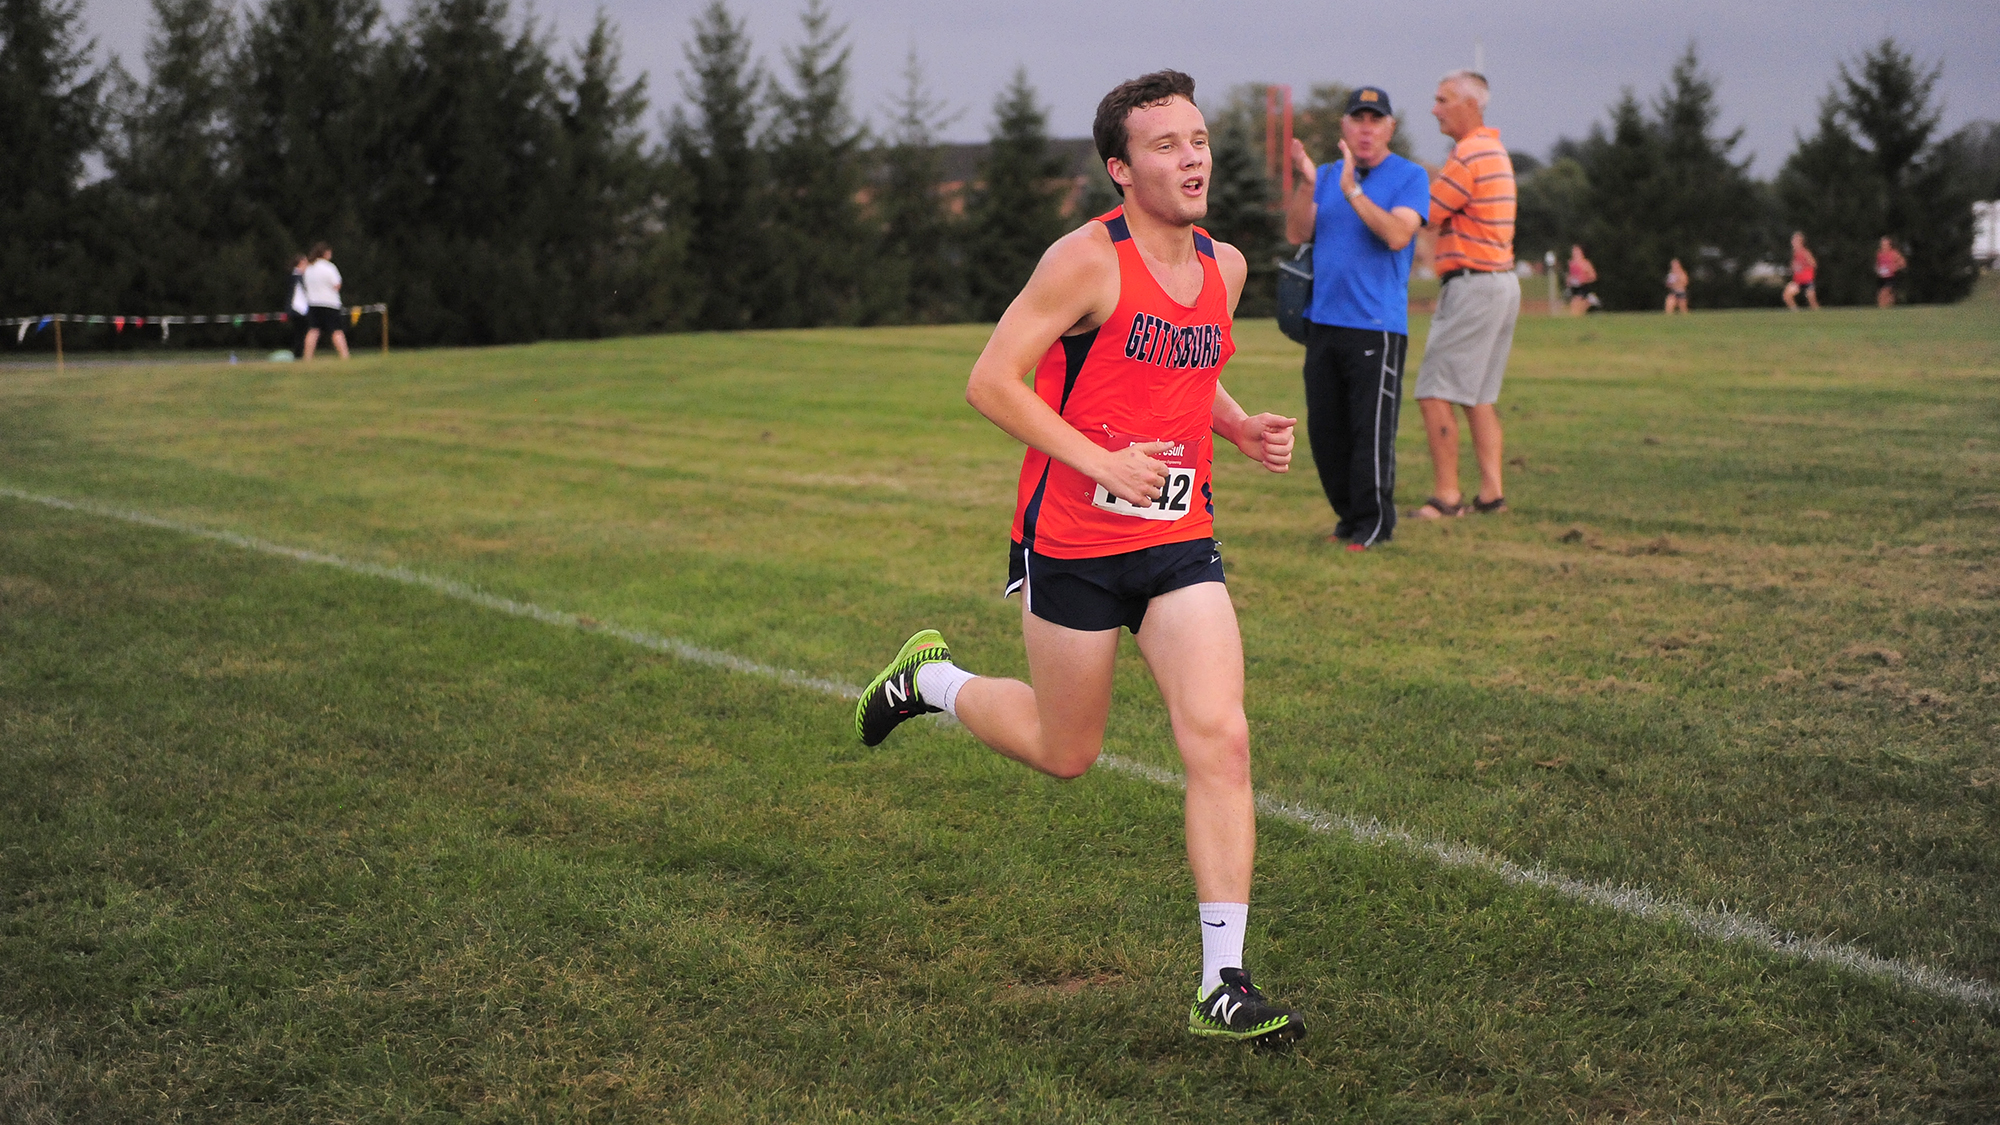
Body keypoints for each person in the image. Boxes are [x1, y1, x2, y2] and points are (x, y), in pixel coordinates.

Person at [851, 70, 1304, 1046]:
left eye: (1197, 140)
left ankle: (1222, 981)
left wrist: (1233, 429)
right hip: (1072, 541)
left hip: (1177, 537)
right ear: (1119, 169)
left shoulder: (1221, 268)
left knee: (1218, 735)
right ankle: (930, 682)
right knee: (1068, 753)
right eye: (1163, 146)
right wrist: (1101, 460)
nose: (1190, 159)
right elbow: (990, 380)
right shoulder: (1083, 262)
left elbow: (1189, 363)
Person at [1283, 86, 1430, 551]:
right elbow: (1296, 232)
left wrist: (1353, 192)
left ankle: (1373, 525)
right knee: (1327, 432)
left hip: (1377, 327)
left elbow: (1397, 234)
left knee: (1370, 432)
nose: (1366, 128)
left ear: (1390, 127)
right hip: (1324, 322)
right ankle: (1347, 518)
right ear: (1344, 126)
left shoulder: (1409, 176)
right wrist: (1309, 183)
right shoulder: (1324, 175)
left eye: (1375, 119)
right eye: (1357, 119)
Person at [1411, 70, 1519, 521]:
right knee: (1478, 395)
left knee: (1433, 391)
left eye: (1443, 99)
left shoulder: (1469, 154)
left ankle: (1447, 496)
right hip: (1501, 282)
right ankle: (1491, 493)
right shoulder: (1495, 150)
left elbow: (1427, 214)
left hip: (1473, 284)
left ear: (1470, 105)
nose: (1434, 108)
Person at [302, 242, 350, 360]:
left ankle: (307, 357)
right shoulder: (329, 267)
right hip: (329, 303)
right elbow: (337, 284)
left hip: (313, 302)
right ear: (325, 253)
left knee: (313, 330)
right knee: (336, 330)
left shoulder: (309, 268)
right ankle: (344, 356)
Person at [1782, 231, 1818, 311]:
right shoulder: (1795, 254)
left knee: (1812, 301)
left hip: (1807, 280)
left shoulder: (1805, 253)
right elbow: (1793, 267)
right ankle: (1796, 312)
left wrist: (1802, 267)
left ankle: (1819, 317)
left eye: (1794, 240)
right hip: (1798, 281)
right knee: (1787, 295)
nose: (1792, 242)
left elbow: (1813, 264)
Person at [1565, 244, 1598, 317]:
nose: (1574, 253)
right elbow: (1570, 275)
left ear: (1581, 252)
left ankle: (1589, 300)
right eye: (1573, 251)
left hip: (1583, 287)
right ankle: (1589, 301)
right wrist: (1569, 281)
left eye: (1576, 251)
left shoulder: (1585, 263)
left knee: (1575, 306)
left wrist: (1583, 279)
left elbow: (1593, 276)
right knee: (1576, 309)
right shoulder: (1571, 263)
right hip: (1574, 287)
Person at [288, 254, 311, 356]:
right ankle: (299, 354)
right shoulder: (297, 276)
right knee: (300, 333)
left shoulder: (296, 276)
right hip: (298, 309)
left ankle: (300, 353)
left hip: (300, 309)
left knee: (300, 333)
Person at [1875, 237, 1907, 308]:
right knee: (1881, 295)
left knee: (1885, 292)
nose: (1883, 246)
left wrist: (1895, 267)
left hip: (1891, 277)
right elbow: (1878, 264)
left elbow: (1903, 264)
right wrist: (1877, 269)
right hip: (1882, 277)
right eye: (1882, 244)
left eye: (1885, 244)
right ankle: (1884, 309)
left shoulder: (1894, 253)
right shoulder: (1879, 254)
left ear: (1889, 245)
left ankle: (1887, 307)